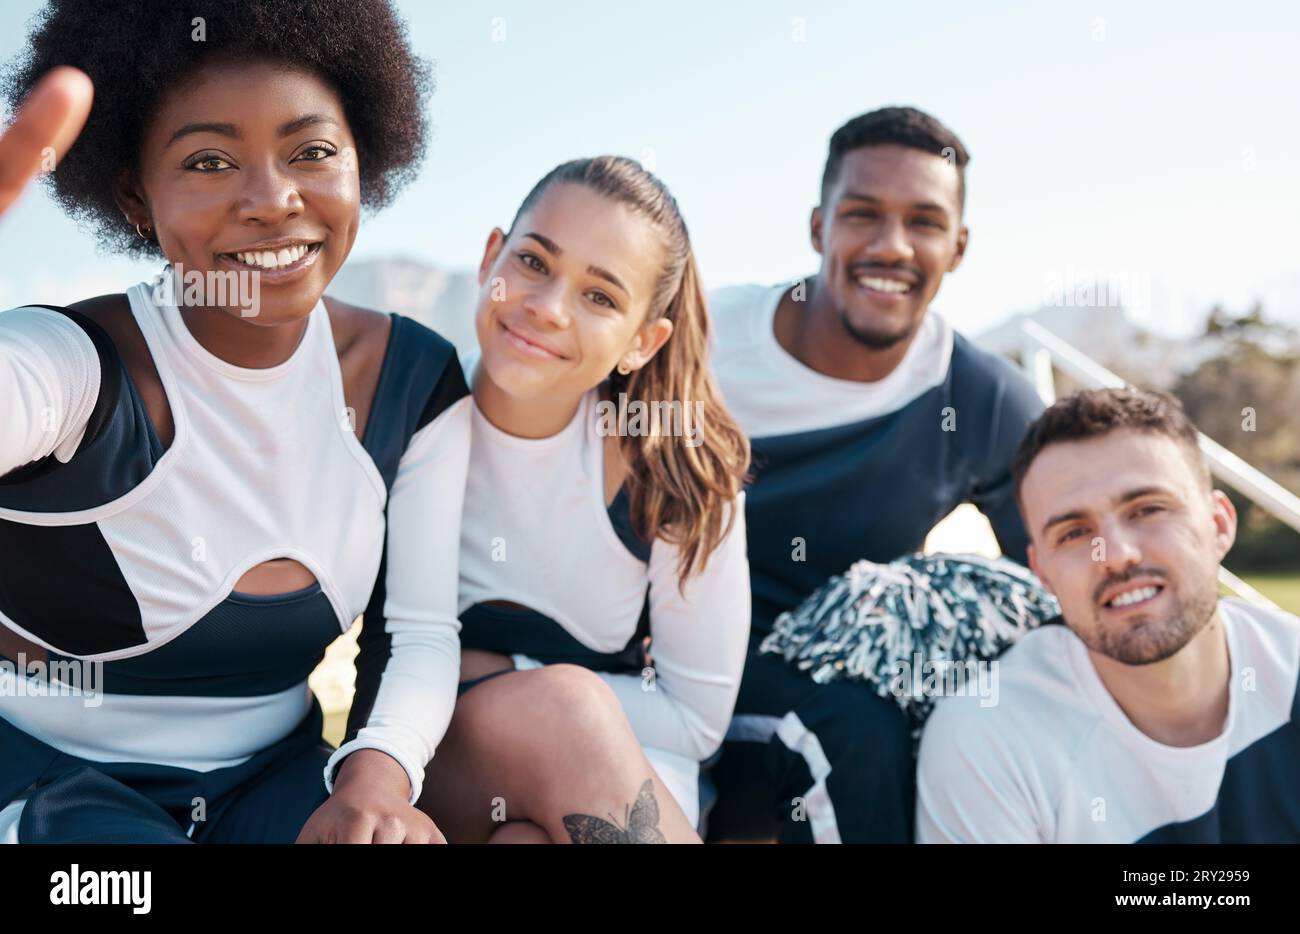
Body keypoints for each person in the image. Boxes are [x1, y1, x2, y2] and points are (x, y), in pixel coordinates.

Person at [0, 0, 690, 845]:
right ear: (136, 196)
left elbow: (420, 634)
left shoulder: (408, 379)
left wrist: (375, 784)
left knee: (537, 770)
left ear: (365, 158)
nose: (272, 197)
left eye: (313, 151)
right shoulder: (67, 362)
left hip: (278, 783)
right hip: (48, 789)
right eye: (210, 161)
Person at [705, 106, 1046, 842]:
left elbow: (1064, 569)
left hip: (850, 673)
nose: (892, 246)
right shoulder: (700, 340)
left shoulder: (981, 397)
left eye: (924, 222)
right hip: (673, 664)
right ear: (818, 226)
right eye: (863, 214)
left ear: (958, 246)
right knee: (852, 732)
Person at [417, 156, 752, 841]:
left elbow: (694, 718)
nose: (547, 308)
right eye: (535, 262)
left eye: (600, 297)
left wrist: (512, 673)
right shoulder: (405, 416)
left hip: (632, 760)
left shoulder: (677, 471)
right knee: (567, 709)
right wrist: (548, 702)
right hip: (437, 758)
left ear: (642, 342)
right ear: (490, 258)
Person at [917, 387, 1300, 843]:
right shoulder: (986, 744)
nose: (1115, 555)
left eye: (1147, 509)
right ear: (1042, 572)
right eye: (1075, 532)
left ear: (1218, 525)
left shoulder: (1291, 669)